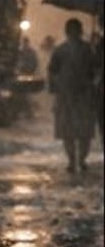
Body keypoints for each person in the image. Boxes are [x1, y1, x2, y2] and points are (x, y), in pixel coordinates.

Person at [46, 17, 97, 174]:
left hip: (75, 95)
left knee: (76, 132)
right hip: (76, 96)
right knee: (77, 132)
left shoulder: (82, 50)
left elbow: (52, 72)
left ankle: (77, 160)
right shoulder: (86, 49)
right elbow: (52, 71)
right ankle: (76, 160)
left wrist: (54, 88)